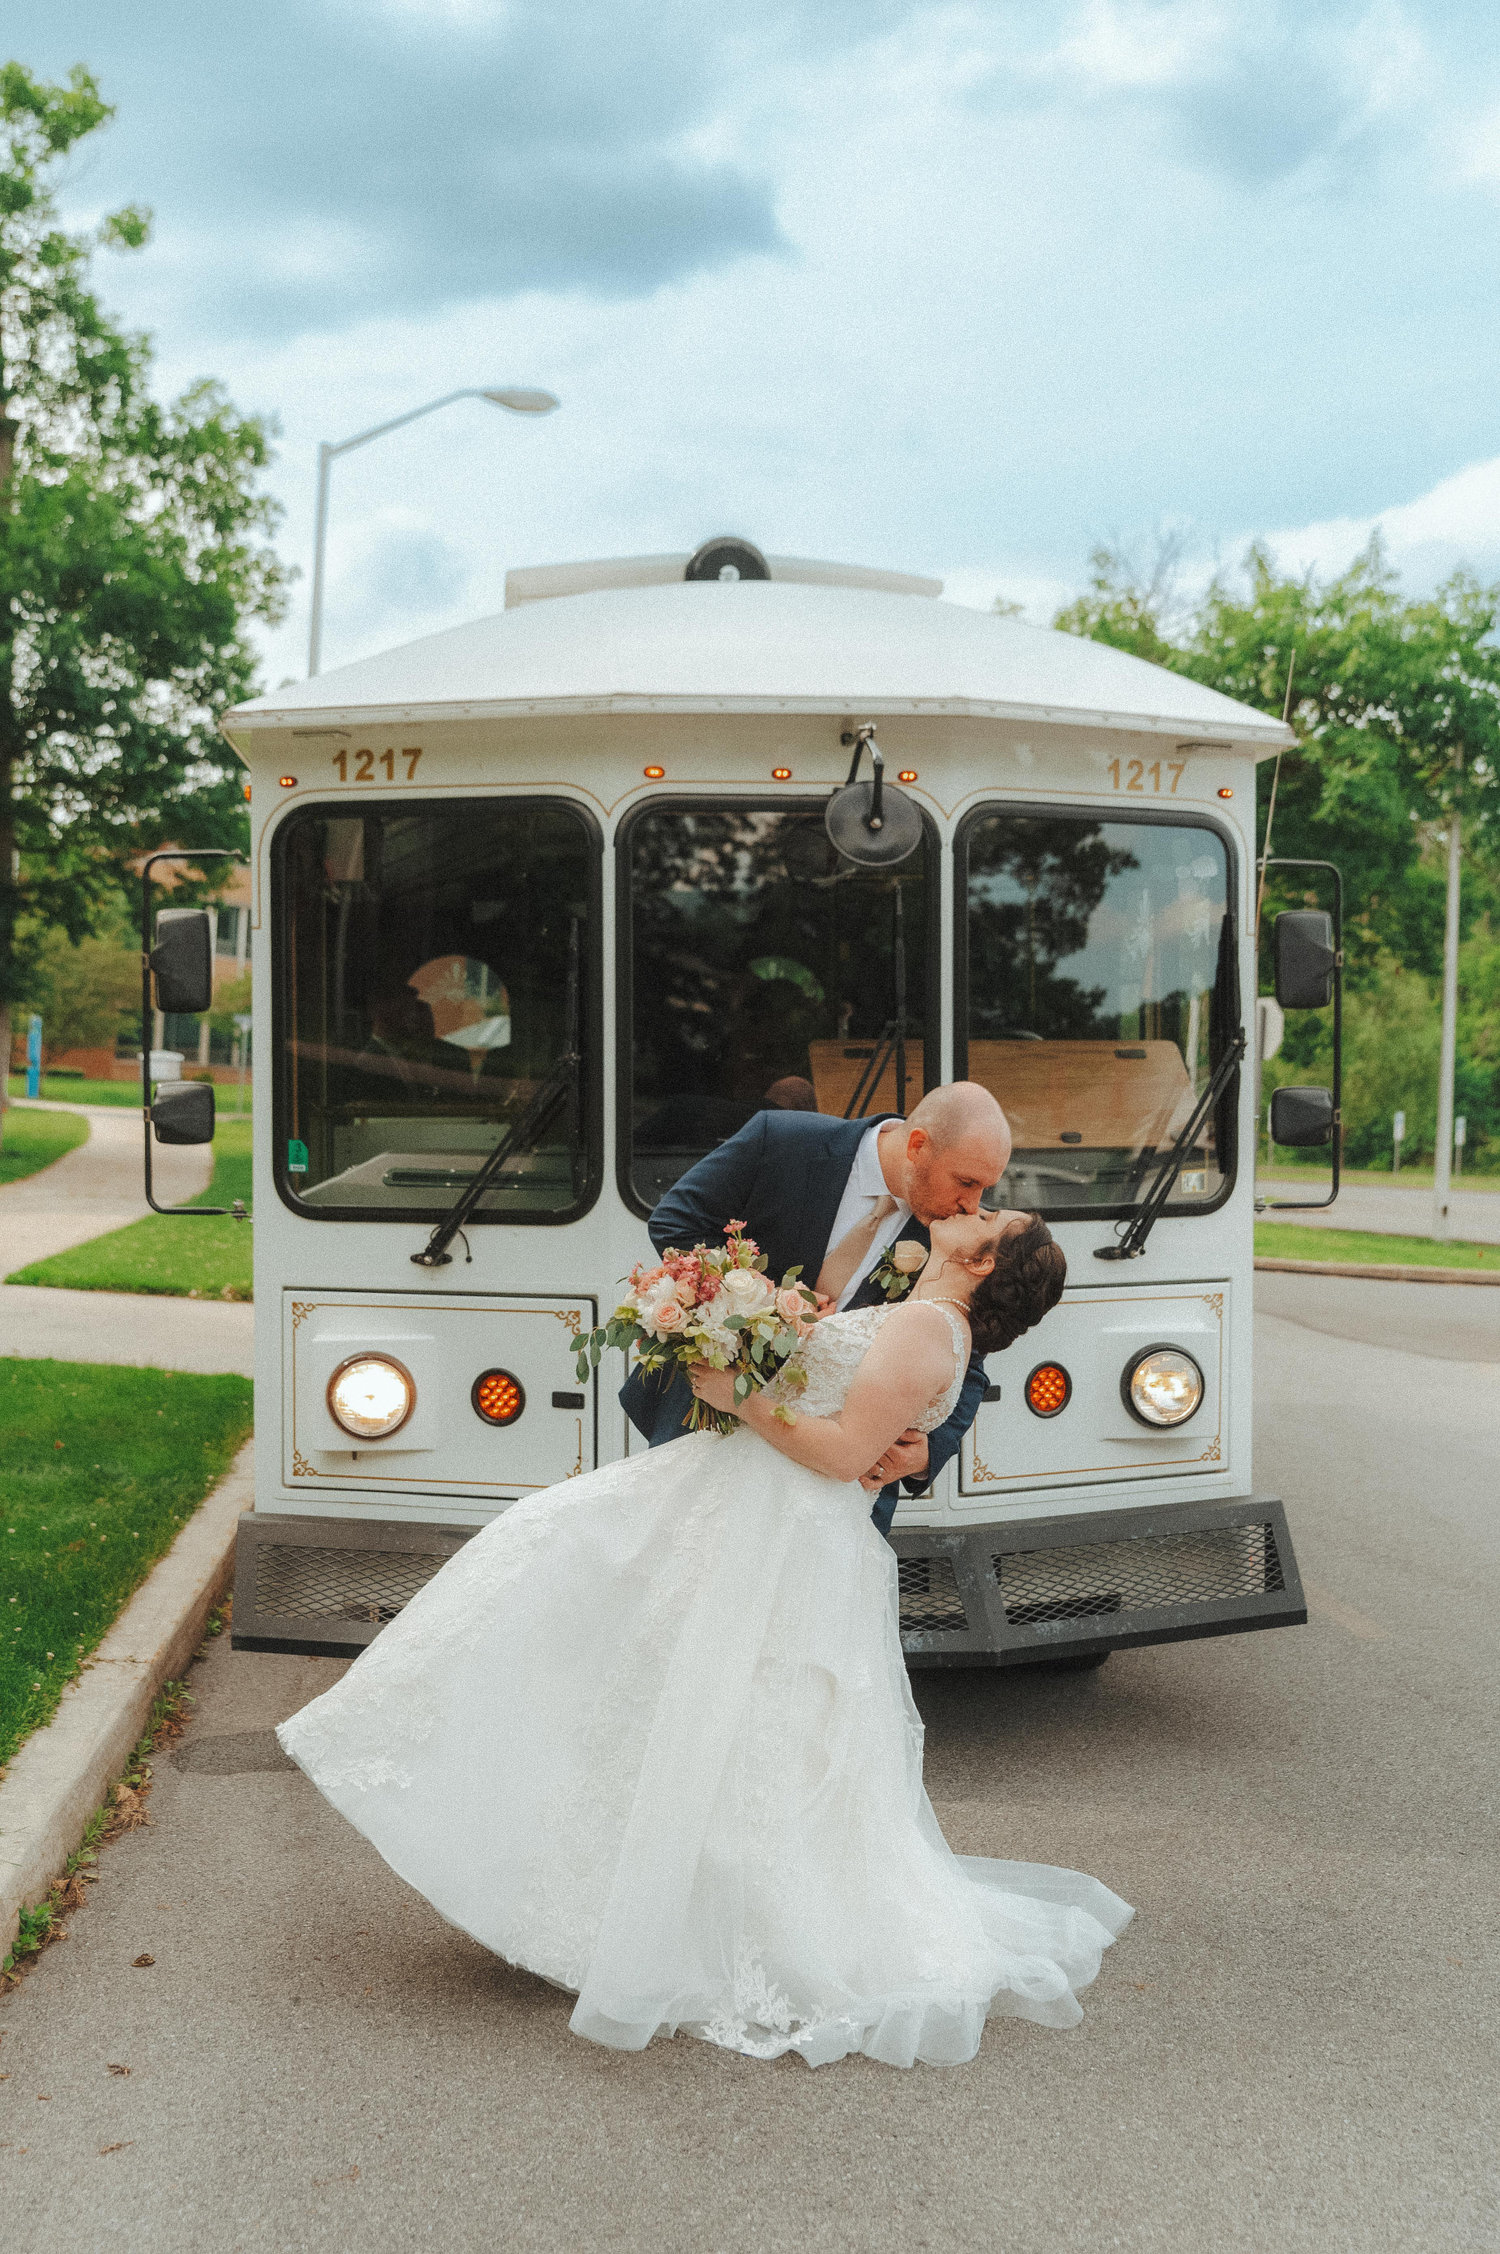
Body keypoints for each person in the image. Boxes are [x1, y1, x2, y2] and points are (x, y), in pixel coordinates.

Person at [277, 1208, 1132, 2068]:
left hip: (781, 1527)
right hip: (753, 1507)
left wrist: (740, 1395)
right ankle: (637, 1895)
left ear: (984, 1262)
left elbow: (841, 1454)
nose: (971, 1207)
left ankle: (693, 1917)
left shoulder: (925, 1326)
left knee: (705, 1690)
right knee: (656, 1664)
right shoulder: (926, 1318)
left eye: (990, 1215)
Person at [623, 1082, 1011, 1530]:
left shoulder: (955, 1234)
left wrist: (930, 1449)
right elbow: (676, 1222)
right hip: (711, 1430)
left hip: (830, 1491)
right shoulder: (781, 1140)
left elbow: (970, 1360)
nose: (972, 1205)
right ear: (918, 1145)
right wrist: (771, 1300)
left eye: (985, 1188)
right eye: (966, 1182)